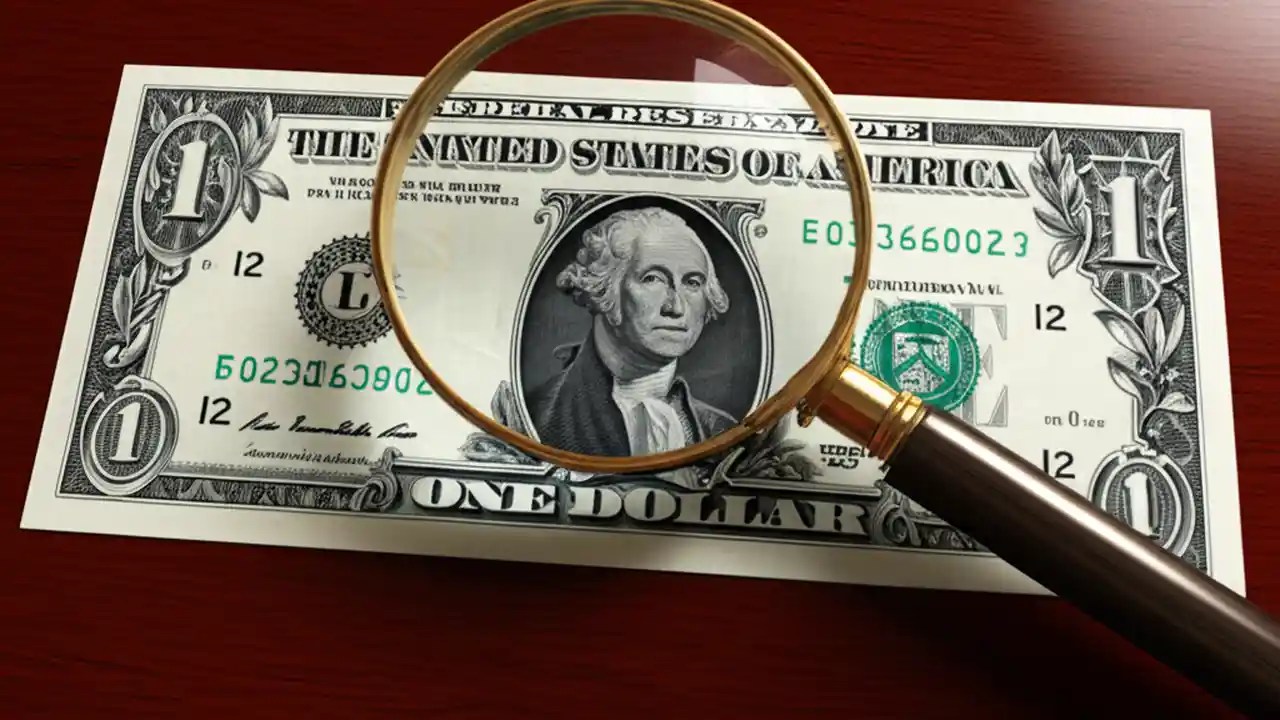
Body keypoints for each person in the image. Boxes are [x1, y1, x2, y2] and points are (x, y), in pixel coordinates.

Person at [524, 206, 737, 471]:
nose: (676, 307)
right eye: (653, 279)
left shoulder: (725, 432)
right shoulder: (534, 418)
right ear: (604, 288)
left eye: (692, 283)